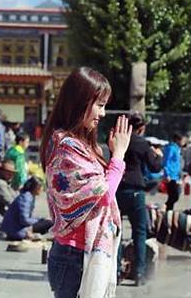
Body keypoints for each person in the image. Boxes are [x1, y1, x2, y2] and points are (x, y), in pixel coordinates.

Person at [40, 67, 132, 298]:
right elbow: (102, 194)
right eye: (99, 105)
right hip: (74, 256)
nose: (102, 113)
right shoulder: (67, 146)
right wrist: (118, 157)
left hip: (77, 254)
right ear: (80, 102)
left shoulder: (76, 144)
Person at [116, 113, 162, 286]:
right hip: (136, 191)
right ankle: (139, 273)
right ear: (141, 129)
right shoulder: (142, 143)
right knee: (140, 233)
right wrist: (158, 155)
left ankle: (117, 272)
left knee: (117, 233)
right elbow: (155, 166)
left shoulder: (115, 138)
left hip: (117, 189)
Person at [1, 176, 53, 240]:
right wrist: (40, 220)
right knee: (49, 223)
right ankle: (26, 234)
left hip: (15, 227)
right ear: (35, 187)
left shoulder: (30, 196)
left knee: (47, 221)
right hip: (15, 230)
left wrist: (41, 219)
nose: (42, 189)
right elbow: (24, 220)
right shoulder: (26, 198)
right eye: (40, 187)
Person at [163, 133, 185, 210]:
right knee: (173, 195)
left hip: (176, 176)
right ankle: (165, 208)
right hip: (171, 175)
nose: (184, 142)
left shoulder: (177, 149)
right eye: (183, 140)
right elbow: (166, 161)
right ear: (177, 140)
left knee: (175, 195)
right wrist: (167, 174)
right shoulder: (171, 148)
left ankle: (168, 210)